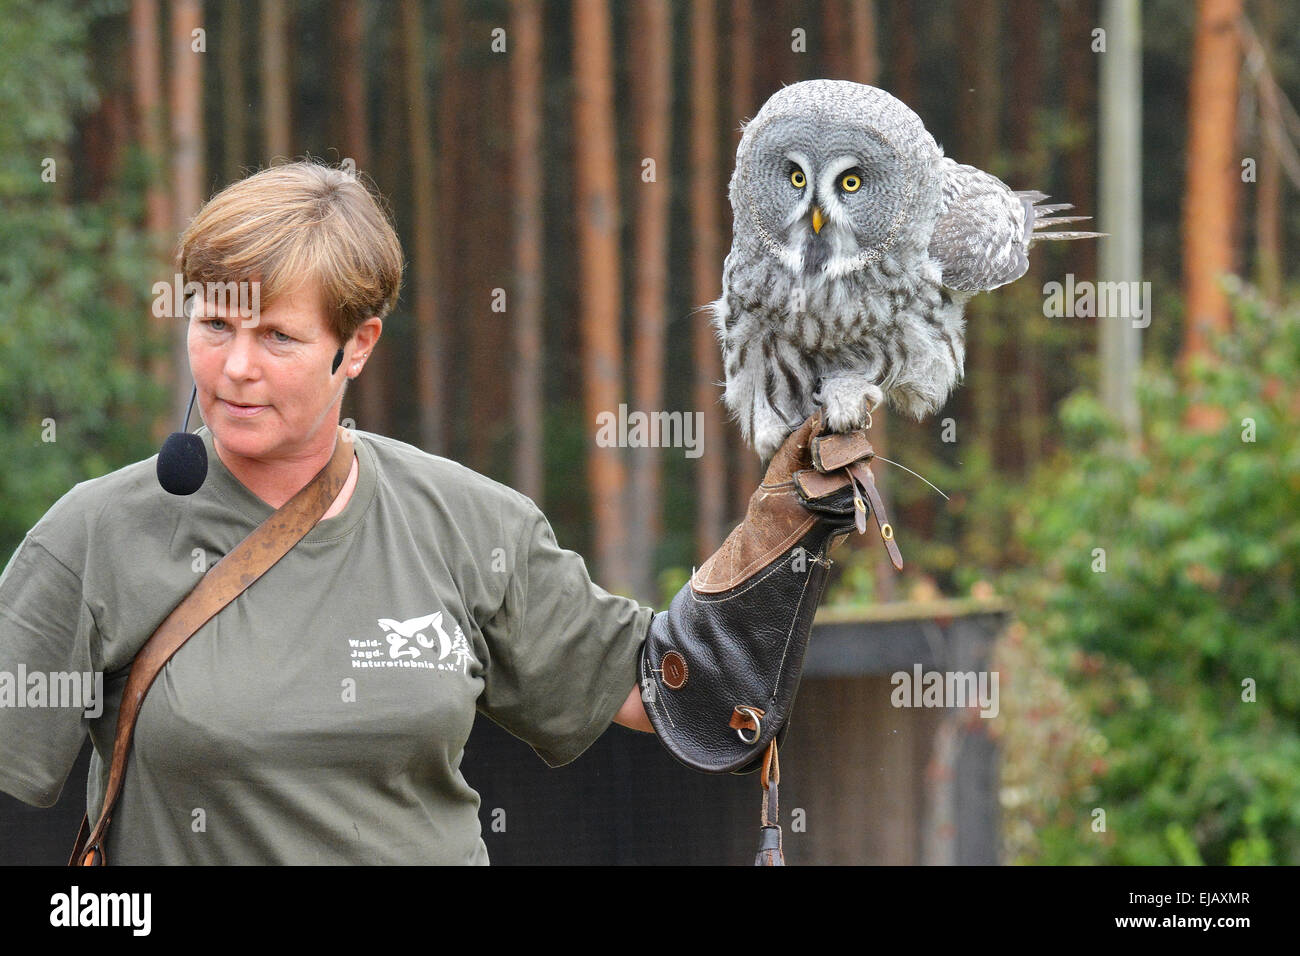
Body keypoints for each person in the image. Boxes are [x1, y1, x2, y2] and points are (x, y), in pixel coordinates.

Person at [0, 161, 869, 864]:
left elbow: (676, 695)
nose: (234, 368)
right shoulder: (98, 534)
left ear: (358, 345)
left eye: (278, 338)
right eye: (215, 325)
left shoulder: (467, 525)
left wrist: (789, 529)